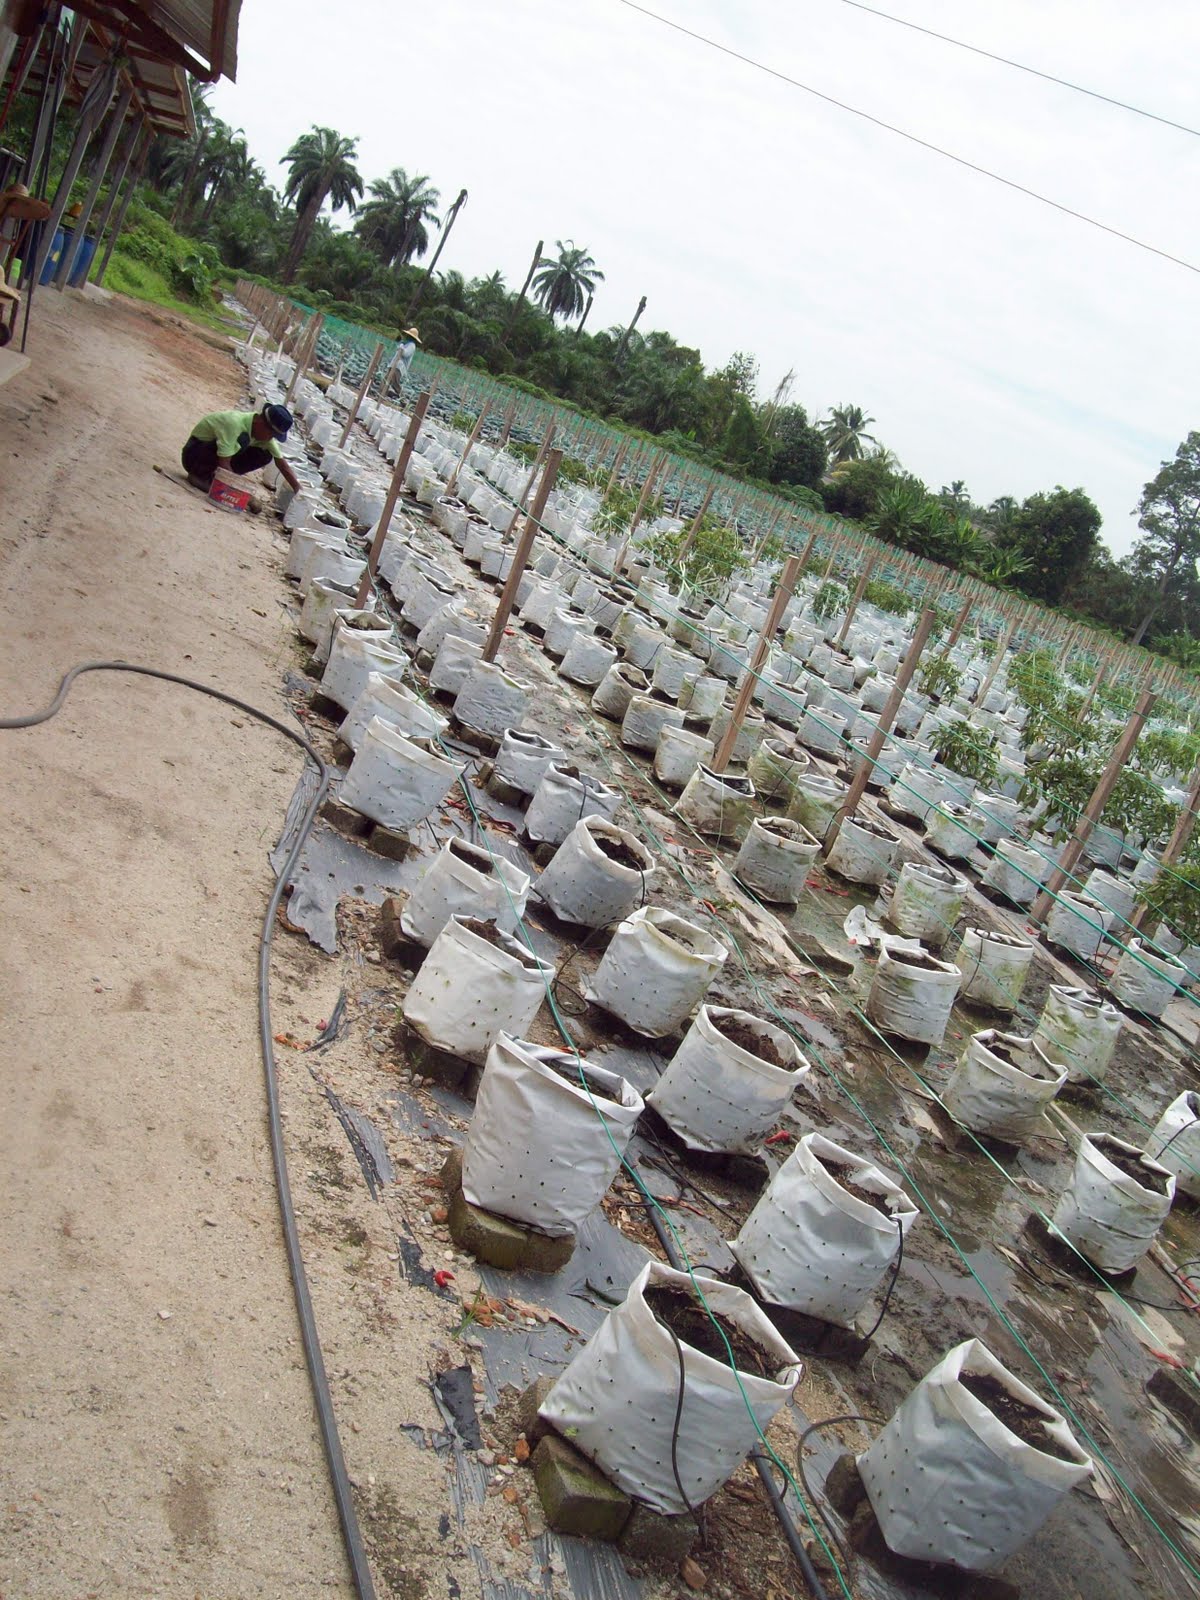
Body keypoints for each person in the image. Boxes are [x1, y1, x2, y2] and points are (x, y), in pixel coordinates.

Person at [181, 402, 301, 495]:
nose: (270, 438)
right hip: (194, 454)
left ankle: (215, 479)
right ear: (260, 422)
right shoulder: (234, 423)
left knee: (265, 454)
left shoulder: (264, 436)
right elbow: (224, 462)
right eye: (271, 434)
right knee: (242, 440)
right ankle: (199, 476)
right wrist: (239, 493)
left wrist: (298, 490)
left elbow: (282, 465)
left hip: (214, 458)